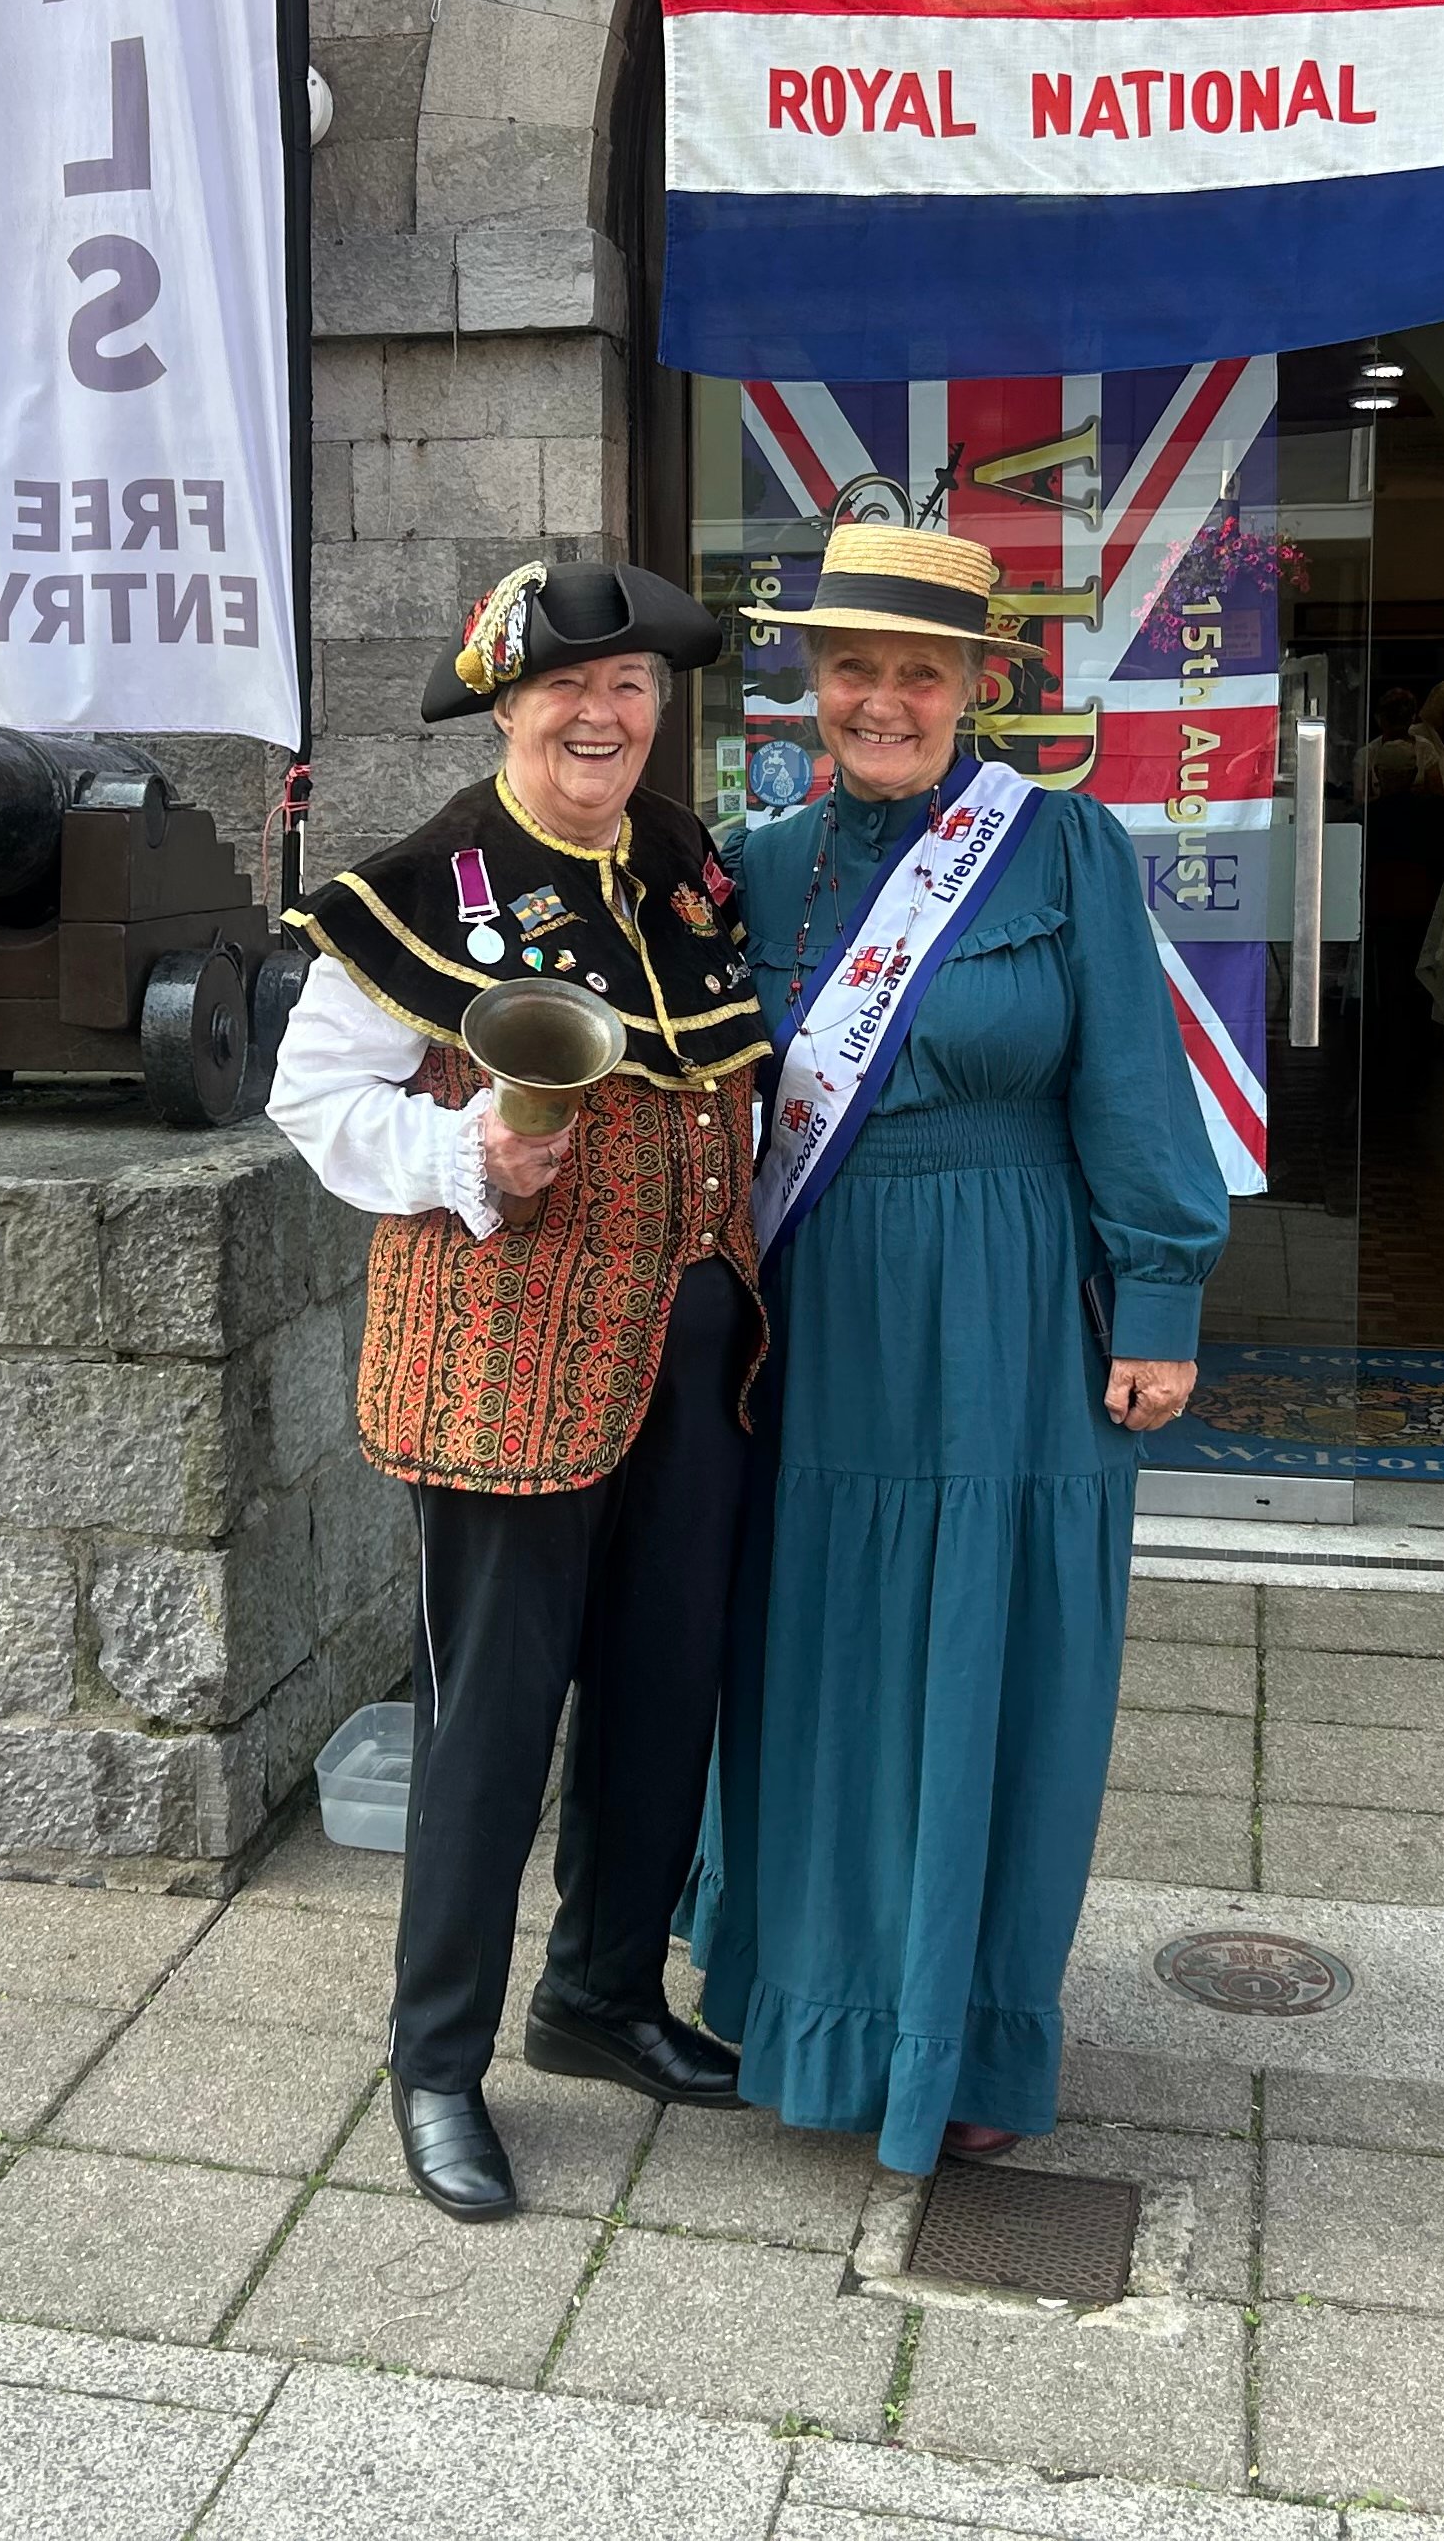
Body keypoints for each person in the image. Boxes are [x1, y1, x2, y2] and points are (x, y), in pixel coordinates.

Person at [691, 521, 1231, 2172]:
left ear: (980, 688)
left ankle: (970, 2035)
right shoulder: (754, 869)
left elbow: (1132, 1082)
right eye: (853, 666)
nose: (882, 700)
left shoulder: (1063, 849)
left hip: (1009, 1323)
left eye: (921, 672)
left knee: (1001, 1666)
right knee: (825, 1655)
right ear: (811, 679)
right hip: (823, 1330)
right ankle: (811, 2012)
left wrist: (1162, 1297)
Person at [269, 559, 771, 2221]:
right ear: (505, 704)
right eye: (568, 688)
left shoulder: (689, 863)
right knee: (487, 1729)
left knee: (660, 1692)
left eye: (631, 686)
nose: (602, 715)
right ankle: (435, 2060)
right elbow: (311, 1100)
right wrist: (460, 1151)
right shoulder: (422, 882)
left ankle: (603, 1994)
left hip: (695, 1362)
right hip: (507, 1364)